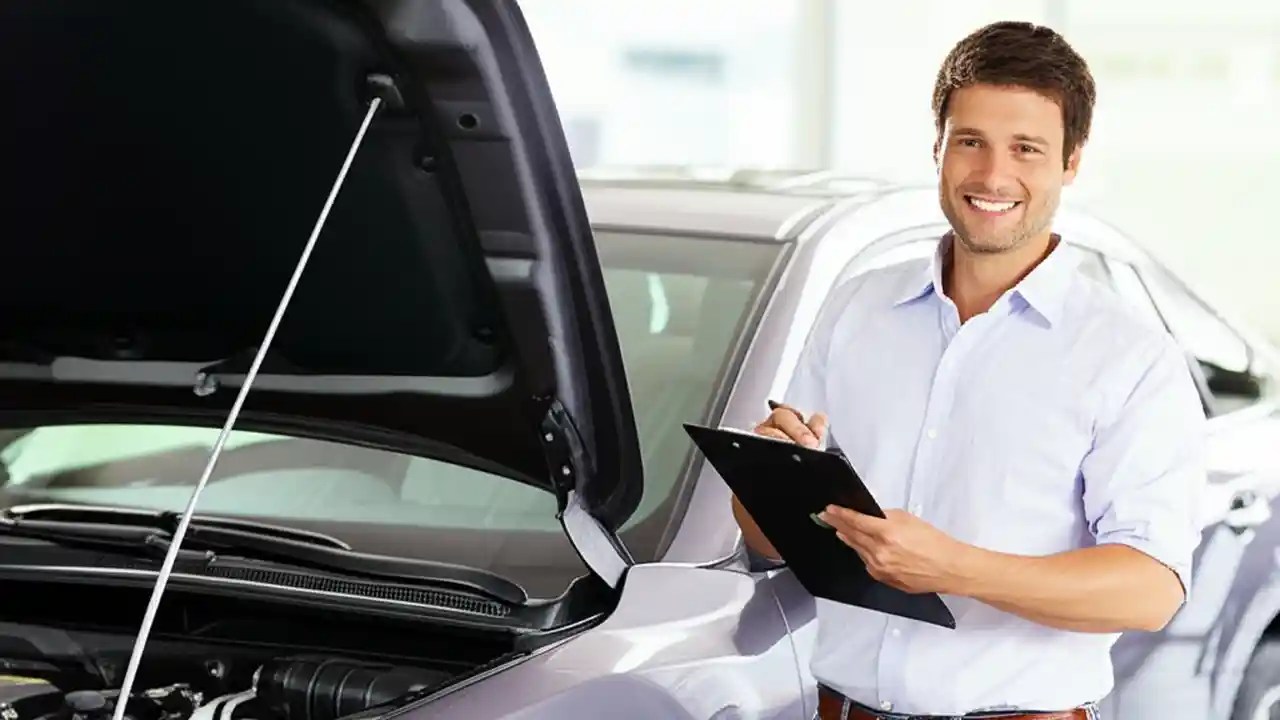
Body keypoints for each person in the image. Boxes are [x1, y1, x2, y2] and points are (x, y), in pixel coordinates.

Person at [733, 21, 1207, 720]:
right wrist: (766, 478)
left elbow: (1150, 589)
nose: (992, 176)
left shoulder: (1128, 355)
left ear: (1071, 161)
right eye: (971, 142)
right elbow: (769, 539)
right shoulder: (858, 305)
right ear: (938, 147)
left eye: (1026, 149)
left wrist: (955, 569)